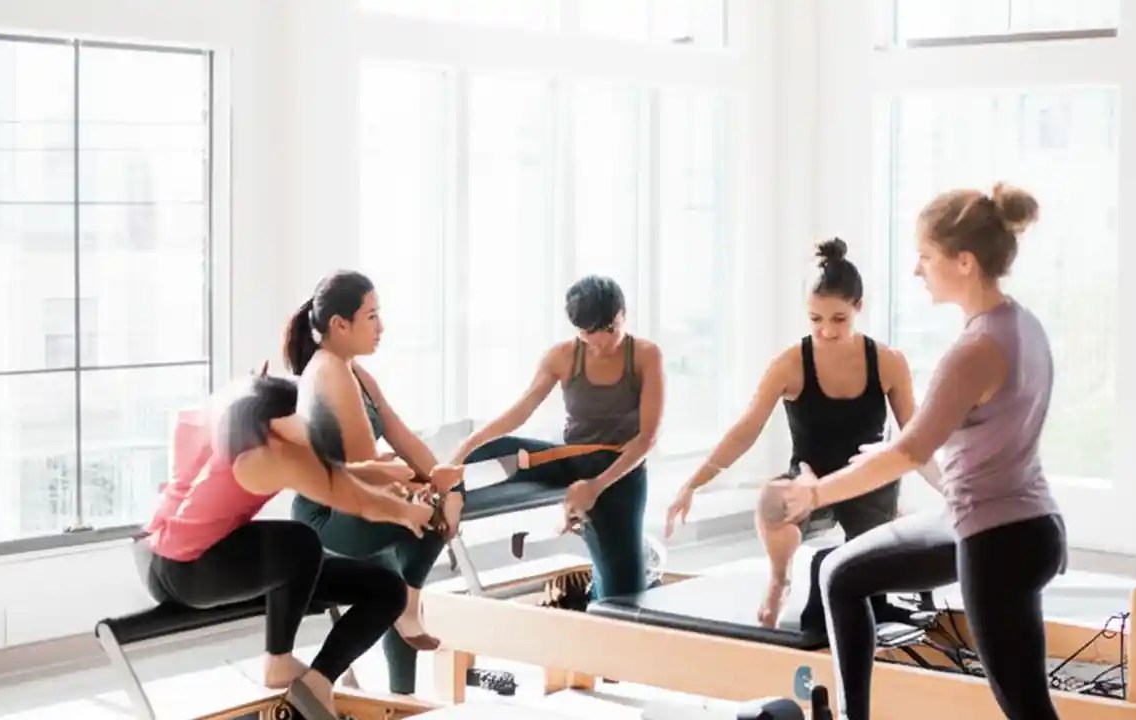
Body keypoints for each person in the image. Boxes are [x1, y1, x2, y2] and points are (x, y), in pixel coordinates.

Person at [780, 184, 1067, 720]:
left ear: (964, 262)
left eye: (926, 256)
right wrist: (886, 454)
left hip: (997, 540)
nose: (917, 269)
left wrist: (815, 493)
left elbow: (910, 452)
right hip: (1017, 525)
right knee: (839, 573)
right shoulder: (1022, 325)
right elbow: (965, 444)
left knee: (1028, 710)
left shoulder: (975, 351)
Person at [664, 238, 938, 633]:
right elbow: (746, 429)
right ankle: (780, 579)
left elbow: (916, 441)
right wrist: (693, 483)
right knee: (771, 504)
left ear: (859, 307)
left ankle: (886, 545)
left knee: (868, 582)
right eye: (815, 319)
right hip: (807, 478)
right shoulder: (790, 363)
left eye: (839, 319)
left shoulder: (887, 362)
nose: (826, 330)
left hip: (868, 483)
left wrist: (955, 492)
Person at [135, 370, 434, 718]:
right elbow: (349, 496)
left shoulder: (269, 441)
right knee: (300, 542)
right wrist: (406, 512)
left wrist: (376, 472)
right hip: (185, 571)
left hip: (205, 562)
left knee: (386, 589)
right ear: (277, 421)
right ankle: (278, 661)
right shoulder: (265, 457)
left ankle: (318, 682)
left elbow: (331, 472)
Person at [284, 270, 464, 695]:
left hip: (360, 500)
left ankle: (402, 694)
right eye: (371, 316)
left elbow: (403, 439)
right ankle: (408, 606)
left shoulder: (357, 374)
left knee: (443, 498)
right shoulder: (329, 372)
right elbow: (367, 468)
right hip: (327, 517)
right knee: (425, 518)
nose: (381, 327)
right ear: (339, 325)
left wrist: (448, 488)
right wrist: (424, 497)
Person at [449, 275, 664, 600]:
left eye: (610, 329)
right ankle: (445, 495)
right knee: (491, 450)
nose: (601, 342)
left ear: (623, 314)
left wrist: (595, 486)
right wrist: (464, 450)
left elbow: (647, 438)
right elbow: (521, 411)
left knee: (621, 599)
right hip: (572, 460)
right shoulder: (562, 357)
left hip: (621, 471)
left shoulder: (646, 355)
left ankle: (641, 558)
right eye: (588, 334)